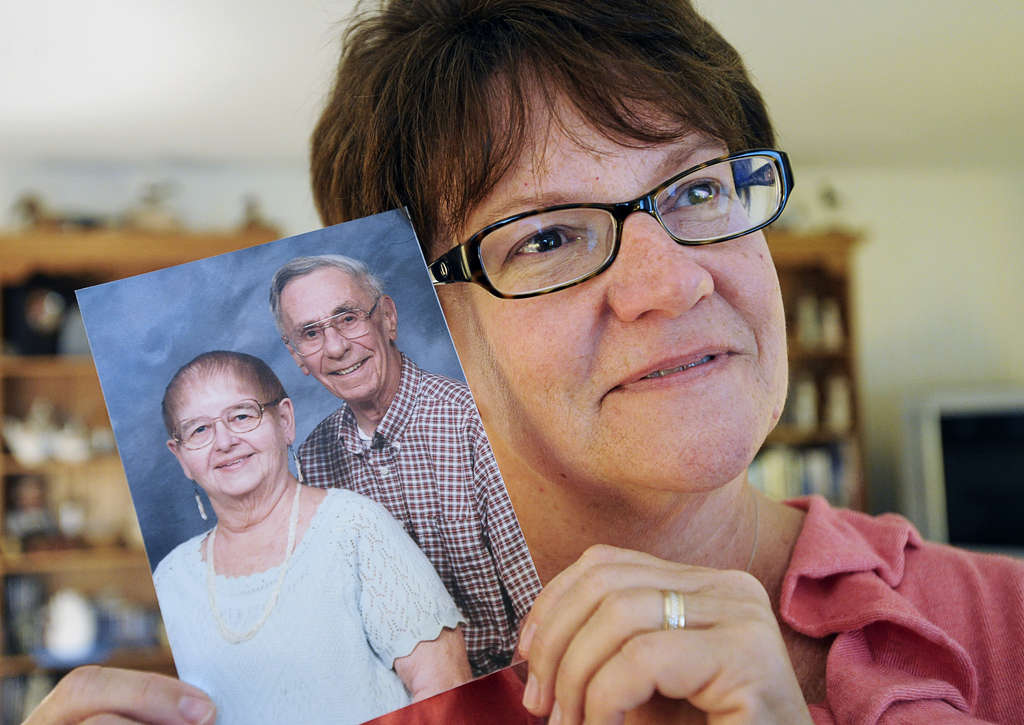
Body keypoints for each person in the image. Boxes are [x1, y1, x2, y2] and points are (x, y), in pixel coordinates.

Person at [28, 1, 1024, 723]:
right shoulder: (346, 688)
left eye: (698, 191)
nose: (670, 284)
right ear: (423, 313)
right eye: (546, 237)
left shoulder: (999, 629)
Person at [155, 350, 471, 725]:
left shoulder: (353, 526)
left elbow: (445, 690)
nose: (224, 441)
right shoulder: (171, 579)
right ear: (181, 457)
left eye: (241, 415)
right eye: (199, 430)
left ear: (285, 421)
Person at [268, 254, 540, 675]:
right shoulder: (313, 457)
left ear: (388, 318)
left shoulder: (472, 419)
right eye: (311, 333)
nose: (336, 347)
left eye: (348, 318)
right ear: (298, 356)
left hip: (510, 681)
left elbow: (537, 609)